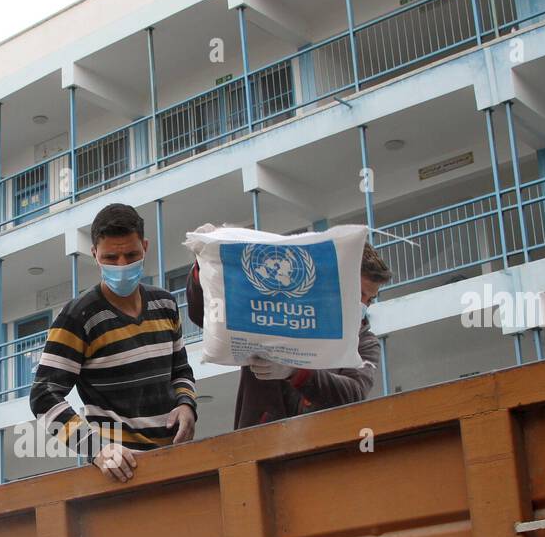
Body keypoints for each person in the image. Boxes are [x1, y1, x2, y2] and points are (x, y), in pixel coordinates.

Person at [30, 203, 198, 482]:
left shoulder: (166, 304)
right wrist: (96, 449)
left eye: (131, 255)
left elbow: (180, 371)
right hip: (120, 473)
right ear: (94, 255)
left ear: (145, 247)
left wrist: (187, 404)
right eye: (110, 257)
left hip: (175, 461)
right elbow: (42, 396)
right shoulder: (78, 317)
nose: (122, 265)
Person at [184, 242, 391, 427]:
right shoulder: (278, 307)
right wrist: (204, 267)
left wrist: (296, 371)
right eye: (359, 292)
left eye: (370, 299)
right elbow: (208, 316)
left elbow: (353, 393)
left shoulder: (365, 343)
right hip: (260, 443)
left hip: (324, 447)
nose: (363, 304)